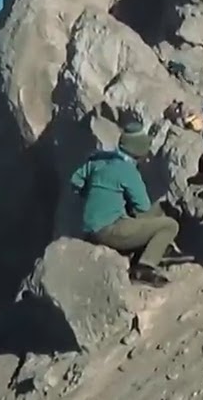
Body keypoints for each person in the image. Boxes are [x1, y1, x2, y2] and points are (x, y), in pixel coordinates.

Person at [71, 122, 179, 288]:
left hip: (89, 229)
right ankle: (144, 267)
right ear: (139, 150)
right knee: (170, 225)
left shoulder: (98, 160)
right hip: (108, 231)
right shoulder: (128, 170)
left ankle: (159, 248)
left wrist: (98, 197)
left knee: (151, 212)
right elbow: (142, 206)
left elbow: (75, 182)